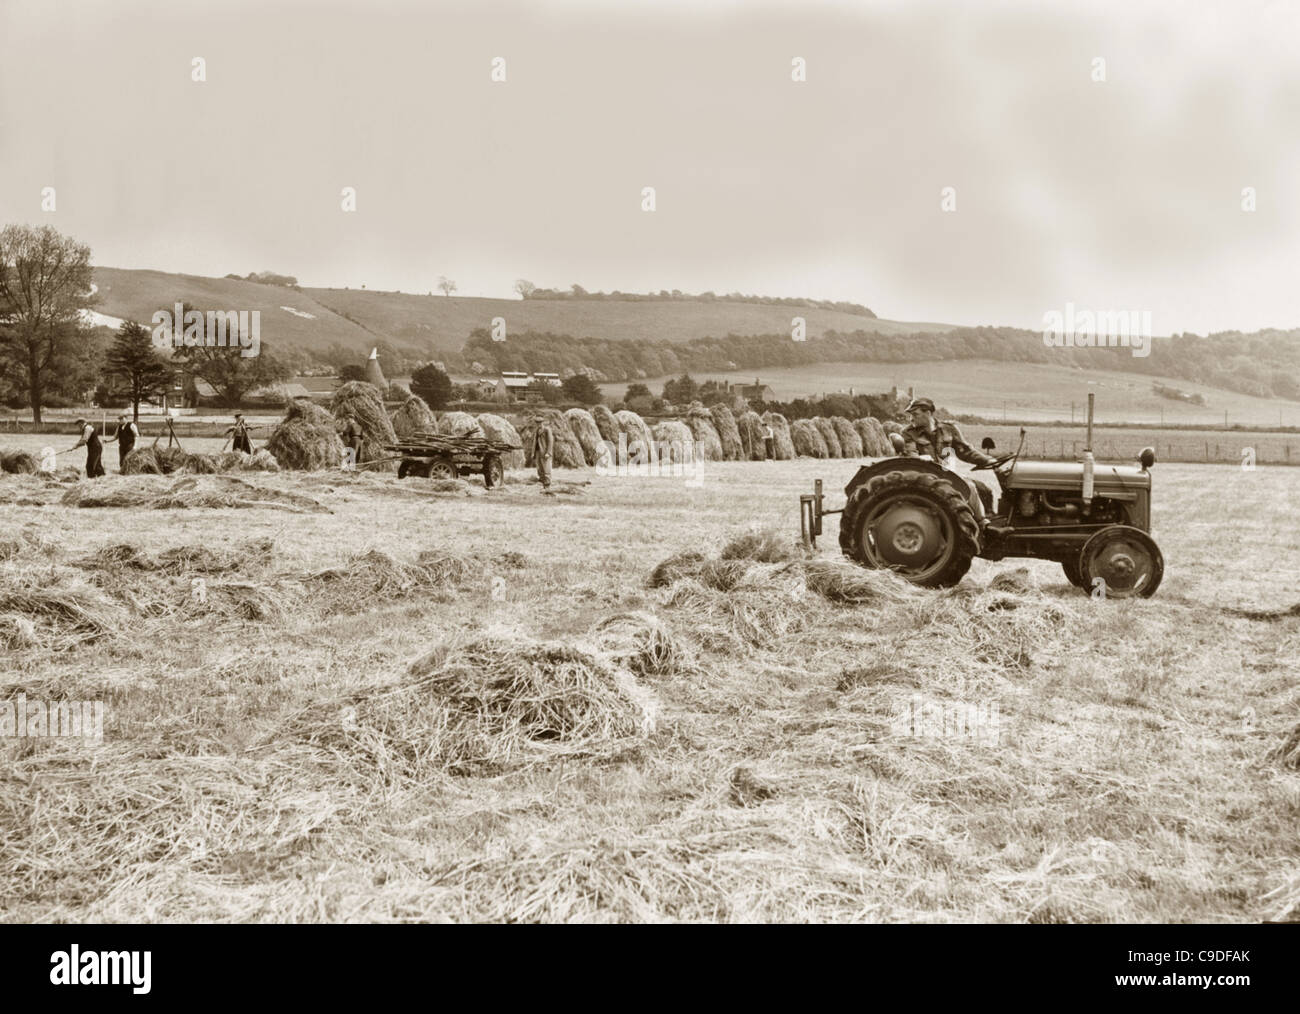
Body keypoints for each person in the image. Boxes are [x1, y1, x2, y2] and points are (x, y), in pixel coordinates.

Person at [900, 398, 1001, 524]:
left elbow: (965, 451)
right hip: (927, 478)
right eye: (911, 415)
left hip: (947, 475)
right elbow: (910, 454)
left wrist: (987, 460)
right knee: (969, 487)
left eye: (915, 415)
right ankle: (983, 523)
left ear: (928, 413)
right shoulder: (908, 433)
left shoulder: (948, 429)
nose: (911, 419)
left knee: (984, 489)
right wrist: (921, 459)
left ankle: (990, 519)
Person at [533, 420, 553, 489]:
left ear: (542, 423)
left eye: (539, 423)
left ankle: (547, 485)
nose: (538, 424)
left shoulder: (547, 430)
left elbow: (550, 441)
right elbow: (535, 441)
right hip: (538, 451)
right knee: (539, 467)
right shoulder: (537, 431)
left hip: (544, 452)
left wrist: (548, 452)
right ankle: (543, 483)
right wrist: (533, 452)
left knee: (546, 468)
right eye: (537, 423)